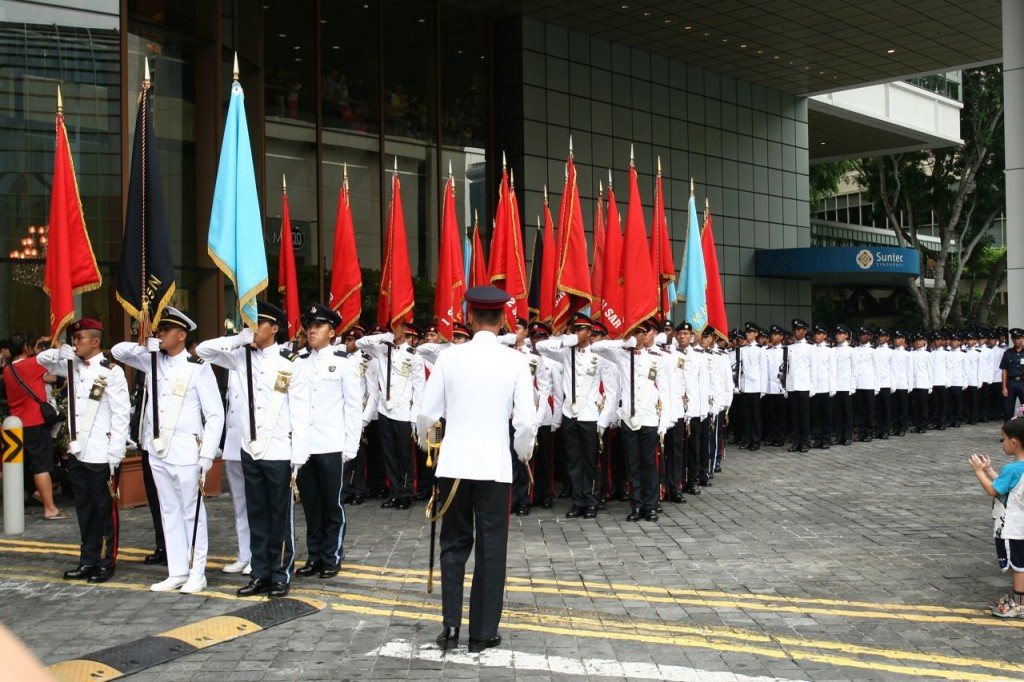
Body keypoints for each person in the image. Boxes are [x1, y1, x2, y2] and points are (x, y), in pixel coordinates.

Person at [417, 286, 537, 653]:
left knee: (453, 546)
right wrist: (522, 454)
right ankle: (482, 633)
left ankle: (451, 626)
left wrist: (430, 446)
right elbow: (527, 423)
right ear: (502, 320)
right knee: (491, 550)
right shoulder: (515, 361)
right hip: (495, 466)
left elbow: (425, 414)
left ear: (469, 318)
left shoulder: (449, 358)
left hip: (453, 464)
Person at [197, 301, 310, 598]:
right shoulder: (240, 356)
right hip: (250, 448)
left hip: (279, 451)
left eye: (258, 324)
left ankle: (280, 574)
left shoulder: (290, 361)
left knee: (280, 517)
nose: (252, 329)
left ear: (274, 328)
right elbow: (203, 351)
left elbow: (300, 411)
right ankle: (260, 574)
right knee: (256, 515)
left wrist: (299, 455)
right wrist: (236, 339)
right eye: (250, 323)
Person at [113, 307, 224, 594]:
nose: (159, 334)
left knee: (192, 513)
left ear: (182, 334)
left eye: (165, 330)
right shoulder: (152, 360)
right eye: (159, 330)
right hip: (157, 449)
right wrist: (142, 344)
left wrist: (207, 455)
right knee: (168, 511)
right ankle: (177, 571)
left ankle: (196, 572)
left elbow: (215, 415)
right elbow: (117, 352)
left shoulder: (198, 367)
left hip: (187, 450)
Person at [36, 319, 130, 583]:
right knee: (84, 509)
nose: (75, 343)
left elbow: (121, 415)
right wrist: (58, 352)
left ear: (95, 341)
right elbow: (41, 361)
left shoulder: (111, 372)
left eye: (79, 339)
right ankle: (87, 560)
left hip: (102, 452)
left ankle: (106, 561)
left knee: (104, 510)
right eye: (74, 339)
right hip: (78, 452)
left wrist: (116, 454)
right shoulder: (72, 364)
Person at [294, 304, 362, 580]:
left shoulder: (344, 362)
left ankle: (332, 555)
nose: (312, 330)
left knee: (332, 504)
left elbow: (353, 406)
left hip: (332, 444)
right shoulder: (297, 361)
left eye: (318, 326)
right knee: (311, 504)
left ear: (332, 332)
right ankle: (314, 555)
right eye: (309, 326)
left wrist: (351, 446)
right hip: (305, 446)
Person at [3, 332, 67, 519]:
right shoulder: (31, 364)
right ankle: (50, 509)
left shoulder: (8, 369)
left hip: (15, 425)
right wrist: (53, 341)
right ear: (25, 348)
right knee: (42, 466)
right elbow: (62, 352)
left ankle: (19, 503)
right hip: (35, 423)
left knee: (19, 466)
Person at [969, 417, 1024, 617]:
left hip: (1011, 524)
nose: (1003, 443)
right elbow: (1006, 486)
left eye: (1004, 439)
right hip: (1021, 522)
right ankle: (1018, 596)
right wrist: (989, 470)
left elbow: (994, 490)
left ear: (1014, 442)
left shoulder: (1012, 469)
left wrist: (978, 473)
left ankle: (1019, 601)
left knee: (1017, 565)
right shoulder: (1018, 469)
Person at [1000, 329, 1024, 423]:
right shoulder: (1008, 353)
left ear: (1022, 338)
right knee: (1008, 410)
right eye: (1014, 338)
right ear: (1012, 339)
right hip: (1011, 383)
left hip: (1023, 383)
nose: (1016, 340)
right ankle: (1007, 436)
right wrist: (1004, 387)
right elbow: (1004, 370)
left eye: (1018, 338)